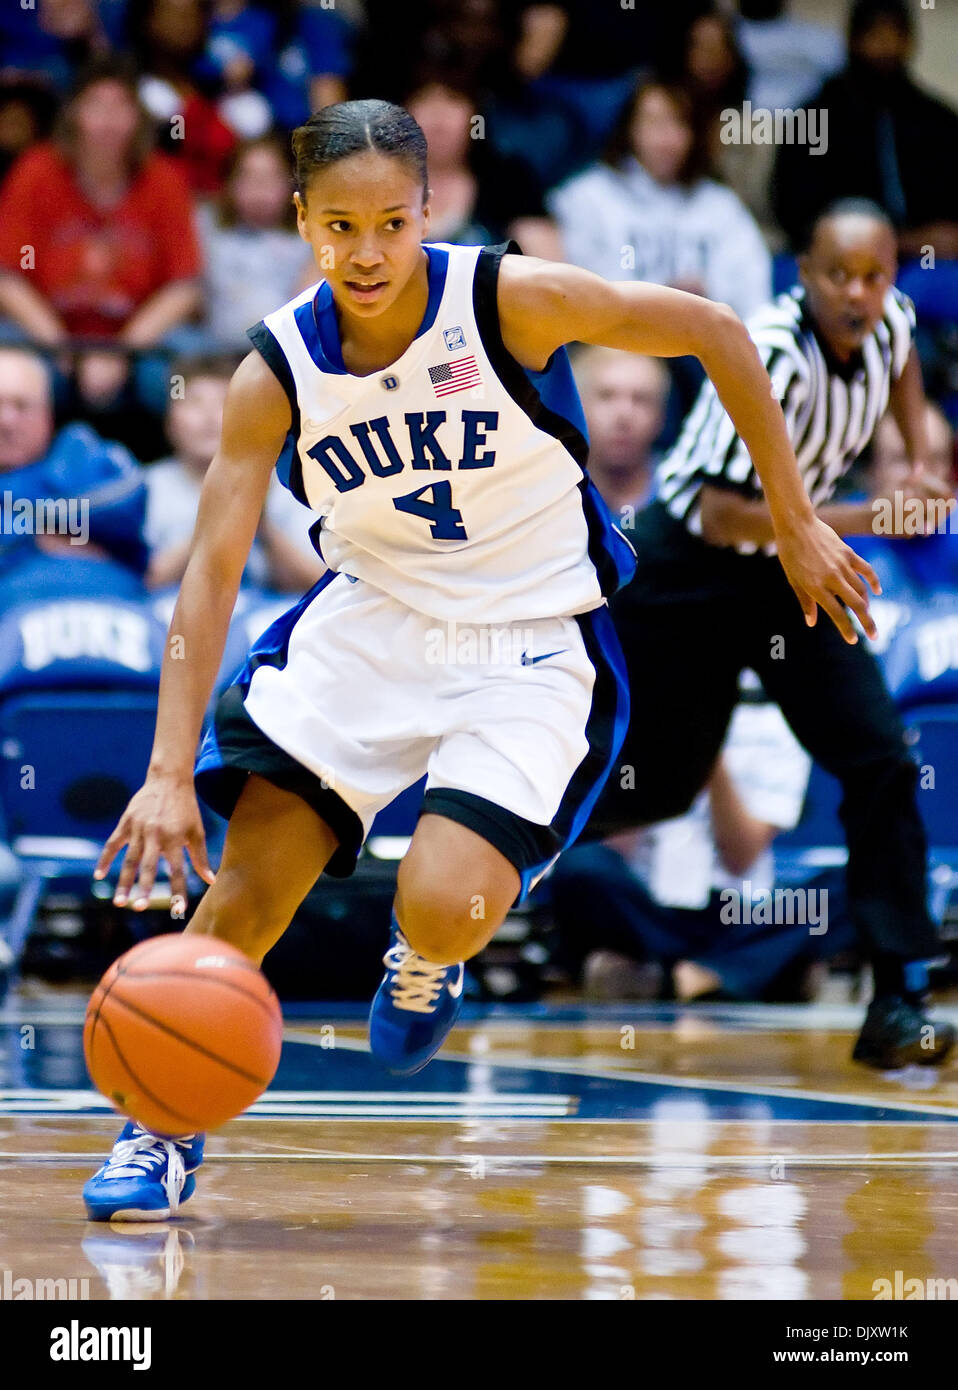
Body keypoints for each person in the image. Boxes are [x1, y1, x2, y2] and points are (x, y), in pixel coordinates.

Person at [83, 98, 876, 1222]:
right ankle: (156, 1128)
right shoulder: (276, 372)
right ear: (301, 220)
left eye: (390, 223)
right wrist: (167, 770)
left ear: (429, 211)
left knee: (445, 898)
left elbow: (718, 331)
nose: (366, 253)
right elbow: (209, 574)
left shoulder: (507, 299)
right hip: (372, 623)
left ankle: (424, 953)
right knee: (246, 899)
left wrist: (794, 520)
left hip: (528, 639)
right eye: (339, 226)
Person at [588, 199, 956, 1071]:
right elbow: (721, 514)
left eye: (875, 276)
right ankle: (491, 868)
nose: (859, 295)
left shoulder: (894, 321)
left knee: (880, 757)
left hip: (799, 563)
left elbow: (902, 372)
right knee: (656, 786)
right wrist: (874, 509)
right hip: (695, 569)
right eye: (840, 276)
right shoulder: (771, 353)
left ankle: (899, 996)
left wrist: (917, 460)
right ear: (806, 275)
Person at [550, 686, 856, 1002]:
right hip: (651, 909)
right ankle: (741, 971)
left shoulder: (775, 724)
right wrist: (658, 760)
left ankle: (678, 976)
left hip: (737, 911)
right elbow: (615, 843)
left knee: (852, 884)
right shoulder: (639, 715)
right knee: (579, 865)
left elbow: (741, 855)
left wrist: (708, 758)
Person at [0, 57, 202, 425]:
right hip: (48, 332)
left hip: (138, 337)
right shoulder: (36, 170)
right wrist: (60, 347)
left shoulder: (164, 179)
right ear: (73, 114)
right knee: (14, 371)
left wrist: (121, 352)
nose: (108, 120)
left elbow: (184, 286)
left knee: (184, 377)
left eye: (120, 106)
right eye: (96, 105)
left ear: (138, 118)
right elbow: (8, 276)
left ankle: (183, 478)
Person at [547, 77, 773, 323]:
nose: (667, 139)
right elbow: (578, 292)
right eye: (655, 123)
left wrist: (708, 296)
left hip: (706, 341)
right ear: (630, 128)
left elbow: (754, 299)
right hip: (619, 343)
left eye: (679, 125)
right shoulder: (587, 197)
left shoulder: (722, 206)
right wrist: (660, 301)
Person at [772, 0, 958, 260]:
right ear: (852, 40)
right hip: (838, 261)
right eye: (875, 33)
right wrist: (902, 241)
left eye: (895, 34)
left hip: (926, 266)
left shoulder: (939, 121)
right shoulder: (815, 117)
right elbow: (794, 211)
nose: (886, 45)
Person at [144, 354, 322, 594]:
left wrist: (261, 524)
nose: (209, 417)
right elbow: (138, 583)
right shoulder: (145, 488)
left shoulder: (286, 484)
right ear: (169, 423)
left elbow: (318, 584)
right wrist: (216, 522)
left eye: (224, 402)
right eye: (194, 402)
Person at [0, 346, 147, 603]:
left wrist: (13, 516)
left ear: (48, 414)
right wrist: (39, 534)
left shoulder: (82, 454)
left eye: (22, 405)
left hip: (112, 611)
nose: (7, 420)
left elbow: (127, 502)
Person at [402, 71, 561, 261]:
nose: (439, 118)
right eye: (424, 101)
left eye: (453, 101)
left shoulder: (508, 180)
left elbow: (548, 266)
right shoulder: (378, 183)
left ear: (476, 119)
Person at [196, 135, 316, 354]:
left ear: (292, 185)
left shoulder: (311, 235)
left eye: (271, 179)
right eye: (249, 178)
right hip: (213, 348)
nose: (260, 190)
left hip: (283, 354)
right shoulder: (205, 225)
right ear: (230, 183)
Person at [571, 346, 669, 519]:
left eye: (640, 399)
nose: (624, 415)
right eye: (606, 396)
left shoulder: (683, 499)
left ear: (660, 415)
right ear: (578, 406)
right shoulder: (551, 494)